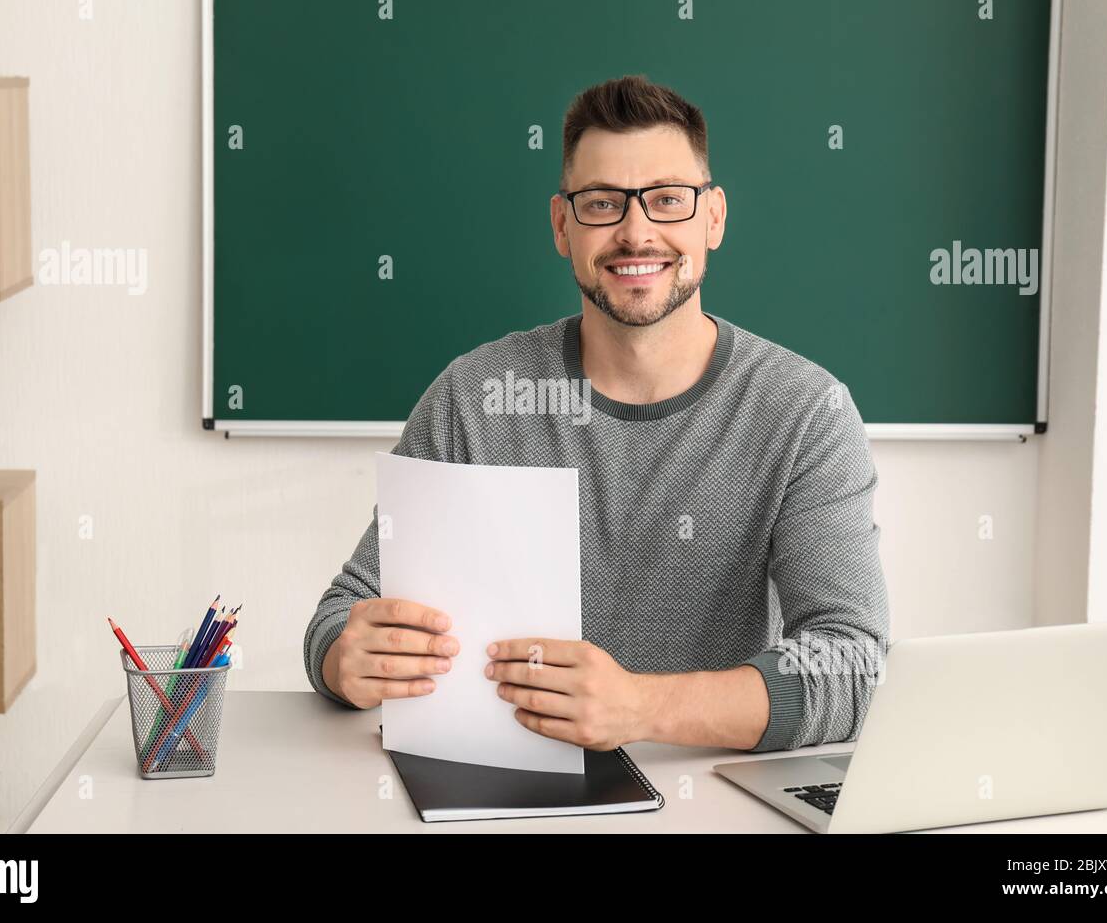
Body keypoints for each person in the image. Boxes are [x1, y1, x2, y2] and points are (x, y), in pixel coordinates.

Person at [305, 74, 889, 754]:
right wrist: (341, 660)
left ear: (714, 217)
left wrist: (642, 707)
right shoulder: (476, 397)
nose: (636, 233)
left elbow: (852, 663)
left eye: (668, 200)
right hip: (501, 790)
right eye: (603, 203)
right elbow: (344, 611)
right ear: (562, 226)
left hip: (710, 800)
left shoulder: (804, 412)